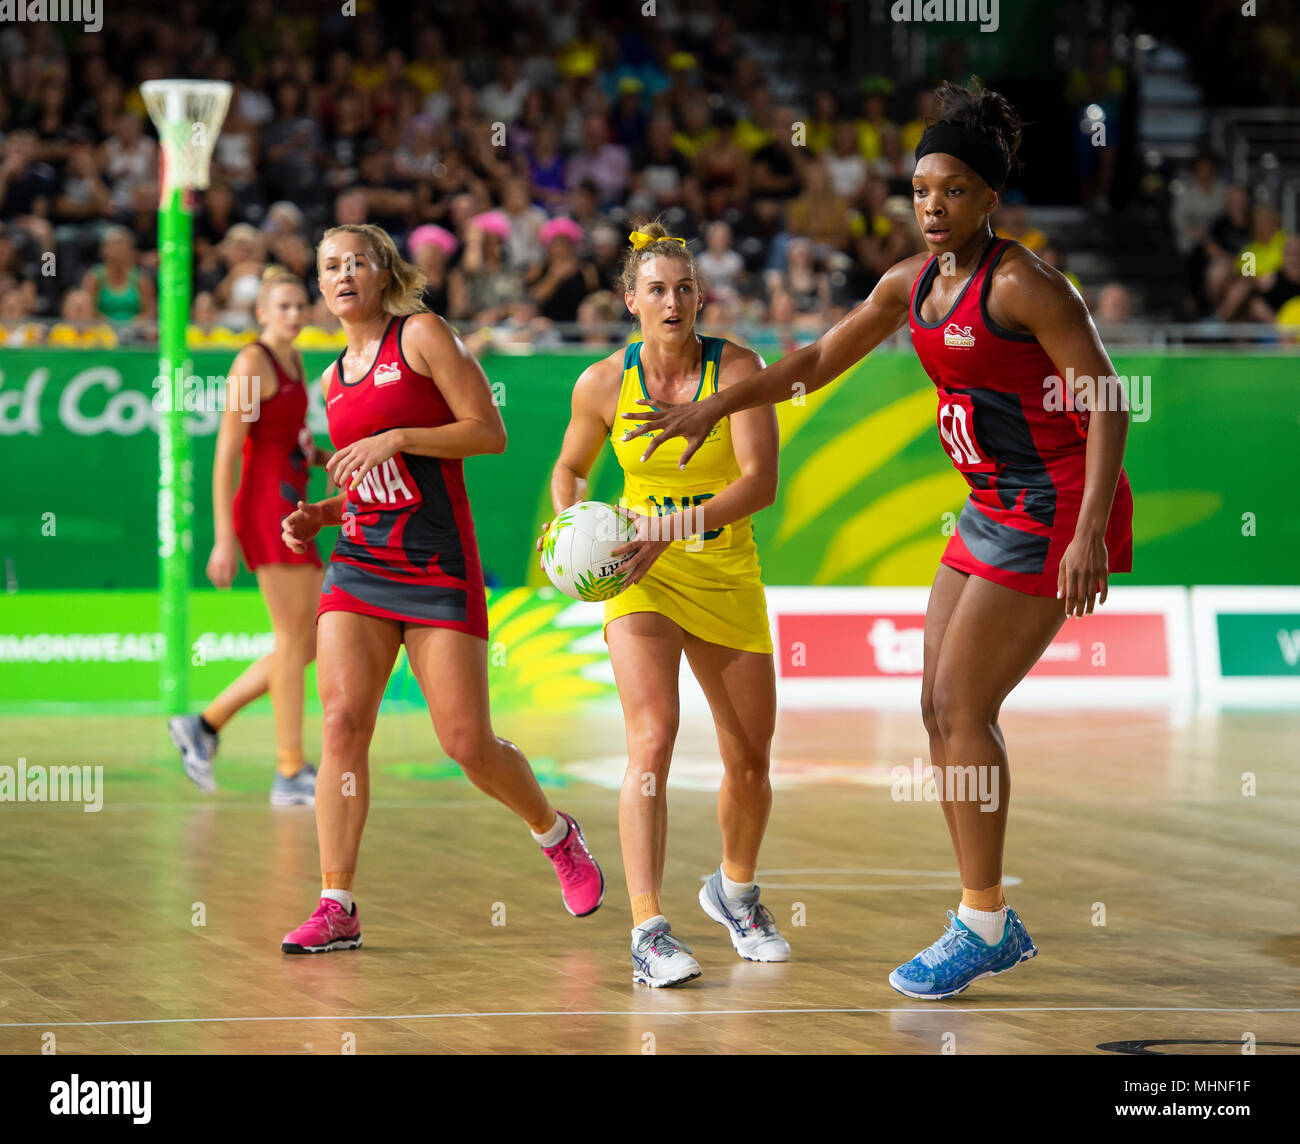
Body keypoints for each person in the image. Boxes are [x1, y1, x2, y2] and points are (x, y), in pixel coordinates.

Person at [626, 82, 1134, 1000]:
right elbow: (817, 361)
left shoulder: (1023, 285)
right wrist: (717, 401)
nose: (933, 208)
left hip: (1054, 506)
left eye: (952, 191)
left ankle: (983, 920)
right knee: (937, 710)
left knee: (962, 703)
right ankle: (986, 918)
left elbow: (1107, 399)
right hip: (989, 503)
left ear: (989, 198)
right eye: (920, 192)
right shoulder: (910, 282)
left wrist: (1092, 527)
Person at [278, 223, 604, 953]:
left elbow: (489, 433)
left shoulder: (421, 335)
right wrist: (322, 516)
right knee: (339, 725)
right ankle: (337, 904)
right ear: (320, 286)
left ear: (381, 270)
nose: (342, 274)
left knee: (465, 743)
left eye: (356, 261)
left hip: (435, 564)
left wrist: (399, 437)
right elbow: (373, 487)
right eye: (329, 265)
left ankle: (555, 835)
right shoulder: (330, 380)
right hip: (360, 562)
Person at [540, 222, 789, 987]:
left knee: (749, 759)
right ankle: (649, 929)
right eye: (657, 289)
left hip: (721, 570)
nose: (673, 300)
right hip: (639, 572)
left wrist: (671, 525)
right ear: (630, 301)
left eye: (685, 287)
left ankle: (734, 893)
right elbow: (570, 466)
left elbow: (758, 485)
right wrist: (570, 525)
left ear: (701, 296)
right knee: (653, 735)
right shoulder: (602, 383)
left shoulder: (740, 369)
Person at [169, 269, 327, 806]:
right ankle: (288, 771)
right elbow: (228, 451)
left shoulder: (294, 359)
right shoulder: (250, 363)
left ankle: (205, 724)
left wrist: (323, 456)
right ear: (260, 313)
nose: (293, 314)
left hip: (294, 502)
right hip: (266, 509)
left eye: (298, 305)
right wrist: (223, 537)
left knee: (308, 640)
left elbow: (286, 435)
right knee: (293, 640)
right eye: (281, 306)